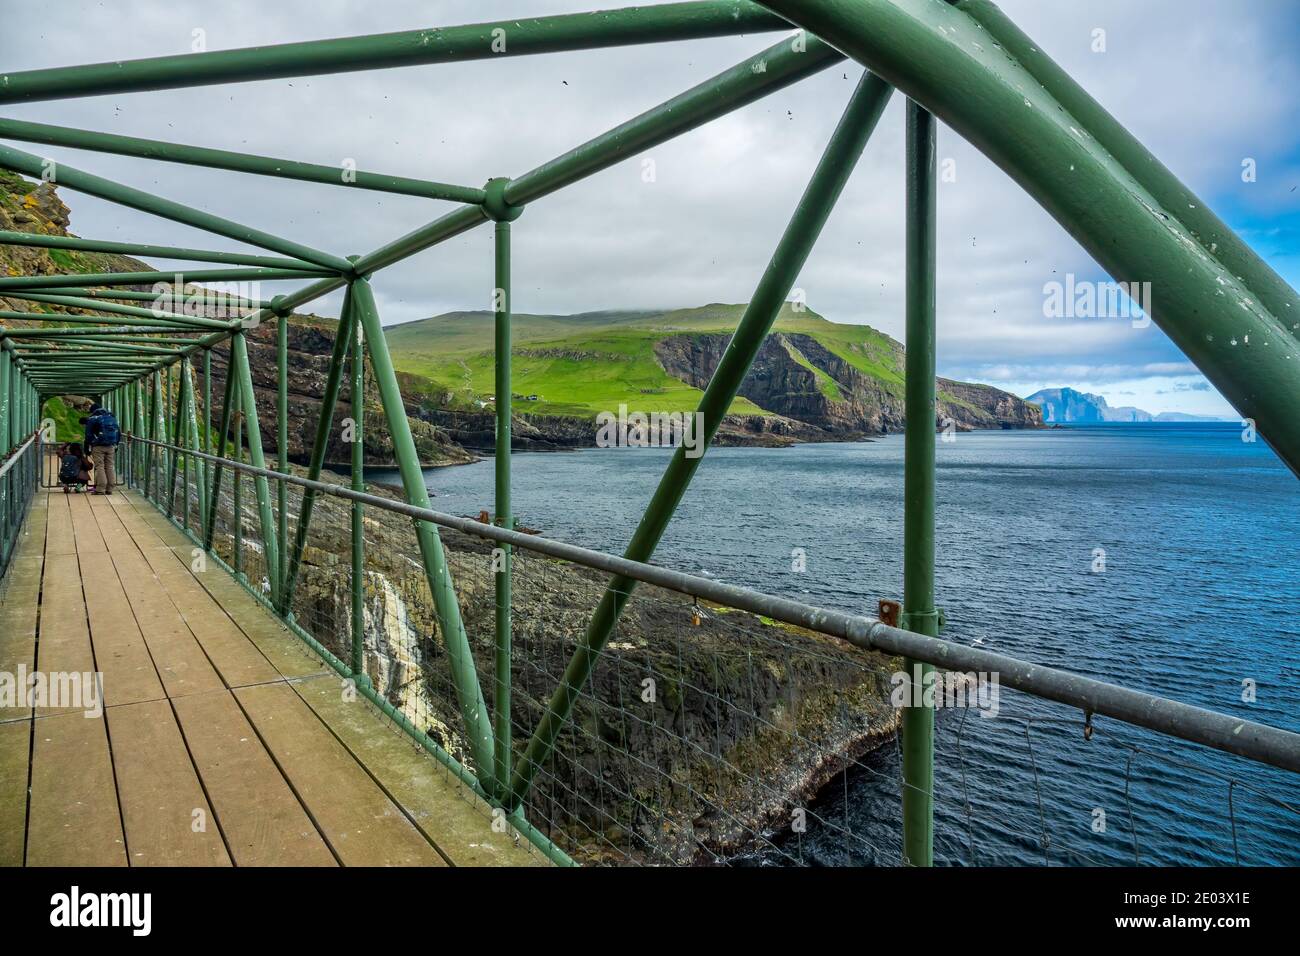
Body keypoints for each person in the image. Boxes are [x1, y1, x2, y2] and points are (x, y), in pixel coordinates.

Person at [83, 402, 121, 496]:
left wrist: (87, 447)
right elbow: (118, 432)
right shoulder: (111, 417)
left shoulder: (93, 419)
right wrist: (116, 444)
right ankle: (110, 488)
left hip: (98, 446)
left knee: (100, 466)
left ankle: (100, 489)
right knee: (109, 466)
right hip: (111, 445)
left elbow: (88, 435)